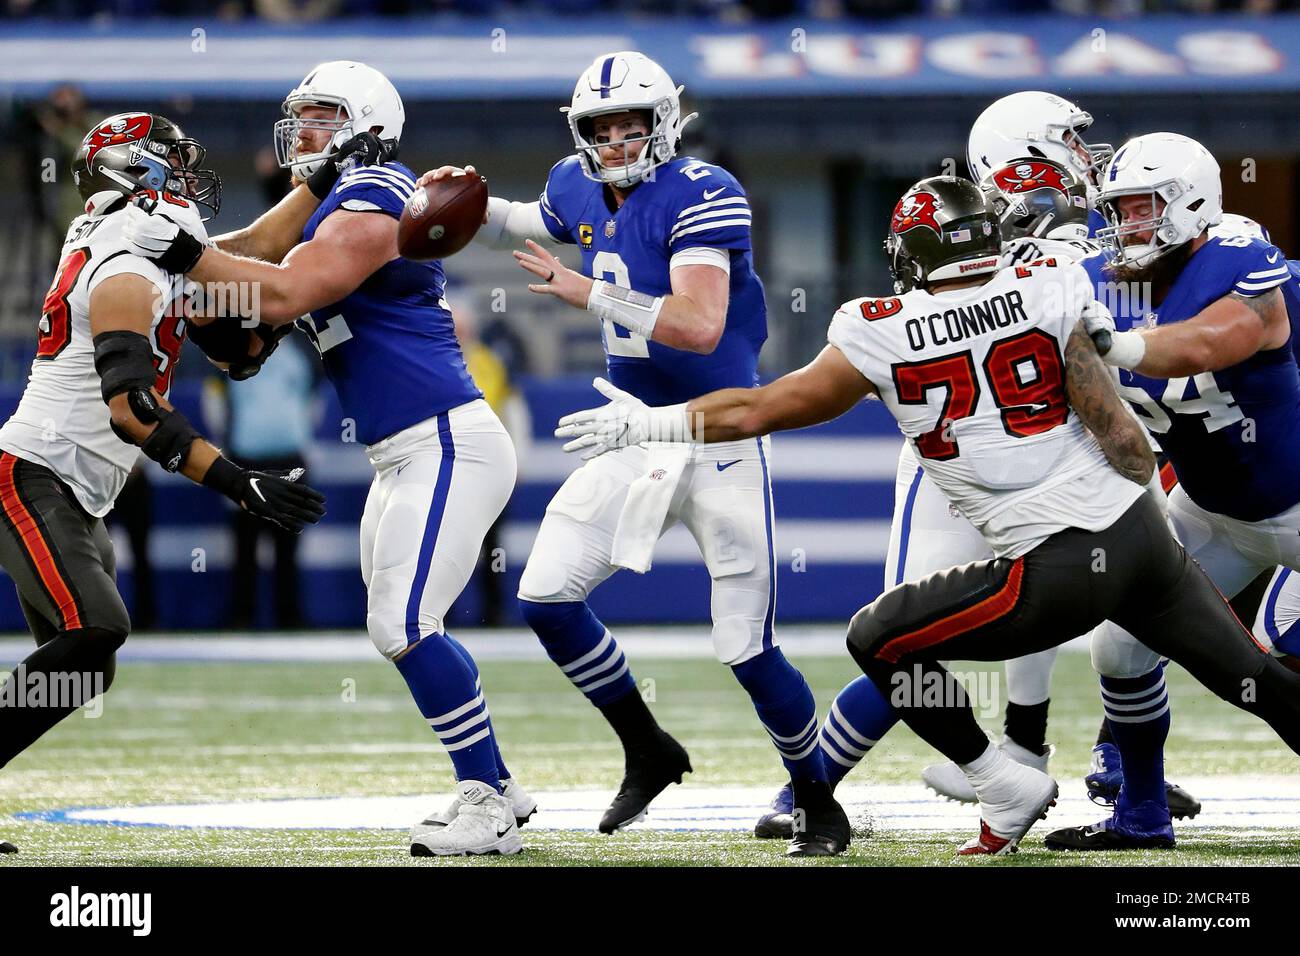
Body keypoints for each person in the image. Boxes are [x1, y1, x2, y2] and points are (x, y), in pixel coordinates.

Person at [554, 174, 1300, 856]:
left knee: (878, 637)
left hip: (1056, 570)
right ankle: (1021, 780)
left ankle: (1005, 785)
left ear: (912, 254)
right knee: (1262, 686)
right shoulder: (1050, 284)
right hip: (1141, 542)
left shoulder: (877, 327)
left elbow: (760, 407)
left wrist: (653, 424)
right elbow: (1126, 444)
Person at [422, 50, 849, 856]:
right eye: (601, 128)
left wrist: (586, 292)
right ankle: (647, 746)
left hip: (716, 428)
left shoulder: (703, 190)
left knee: (745, 646)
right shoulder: (575, 183)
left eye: (631, 125)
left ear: (666, 124)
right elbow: (525, 218)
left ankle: (817, 796)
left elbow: (698, 325)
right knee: (545, 595)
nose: (617, 141)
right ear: (581, 132)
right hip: (629, 426)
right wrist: (458, 197)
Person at [122, 61, 535, 857]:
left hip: (446, 439)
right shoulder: (332, 193)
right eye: (300, 117)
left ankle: (484, 802)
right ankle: (503, 786)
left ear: (365, 125)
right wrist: (154, 264)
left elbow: (278, 292)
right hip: (403, 453)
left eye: (319, 118)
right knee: (397, 629)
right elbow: (249, 250)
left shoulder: (380, 192)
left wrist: (179, 258)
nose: (302, 133)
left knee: (405, 619)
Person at [0, 112, 327, 852]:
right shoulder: (123, 262)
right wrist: (242, 484)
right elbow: (134, 411)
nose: (186, 180)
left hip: (72, 488)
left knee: (84, 673)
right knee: (97, 630)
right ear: (133, 173)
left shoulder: (135, 244)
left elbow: (262, 254)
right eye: (171, 165)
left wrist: (326, 179)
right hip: (32, 471)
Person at [1056, 131, 1300, 848]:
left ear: (1190, 205)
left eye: (1140, 209)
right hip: (1210, 509)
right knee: (1120, 644)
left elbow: (1208, 342)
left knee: (1281, 641)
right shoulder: (1102, 281)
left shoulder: (1239, 258)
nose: (1124, 226)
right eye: (1117, 210)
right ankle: (1141, 815)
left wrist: (1118, 347)